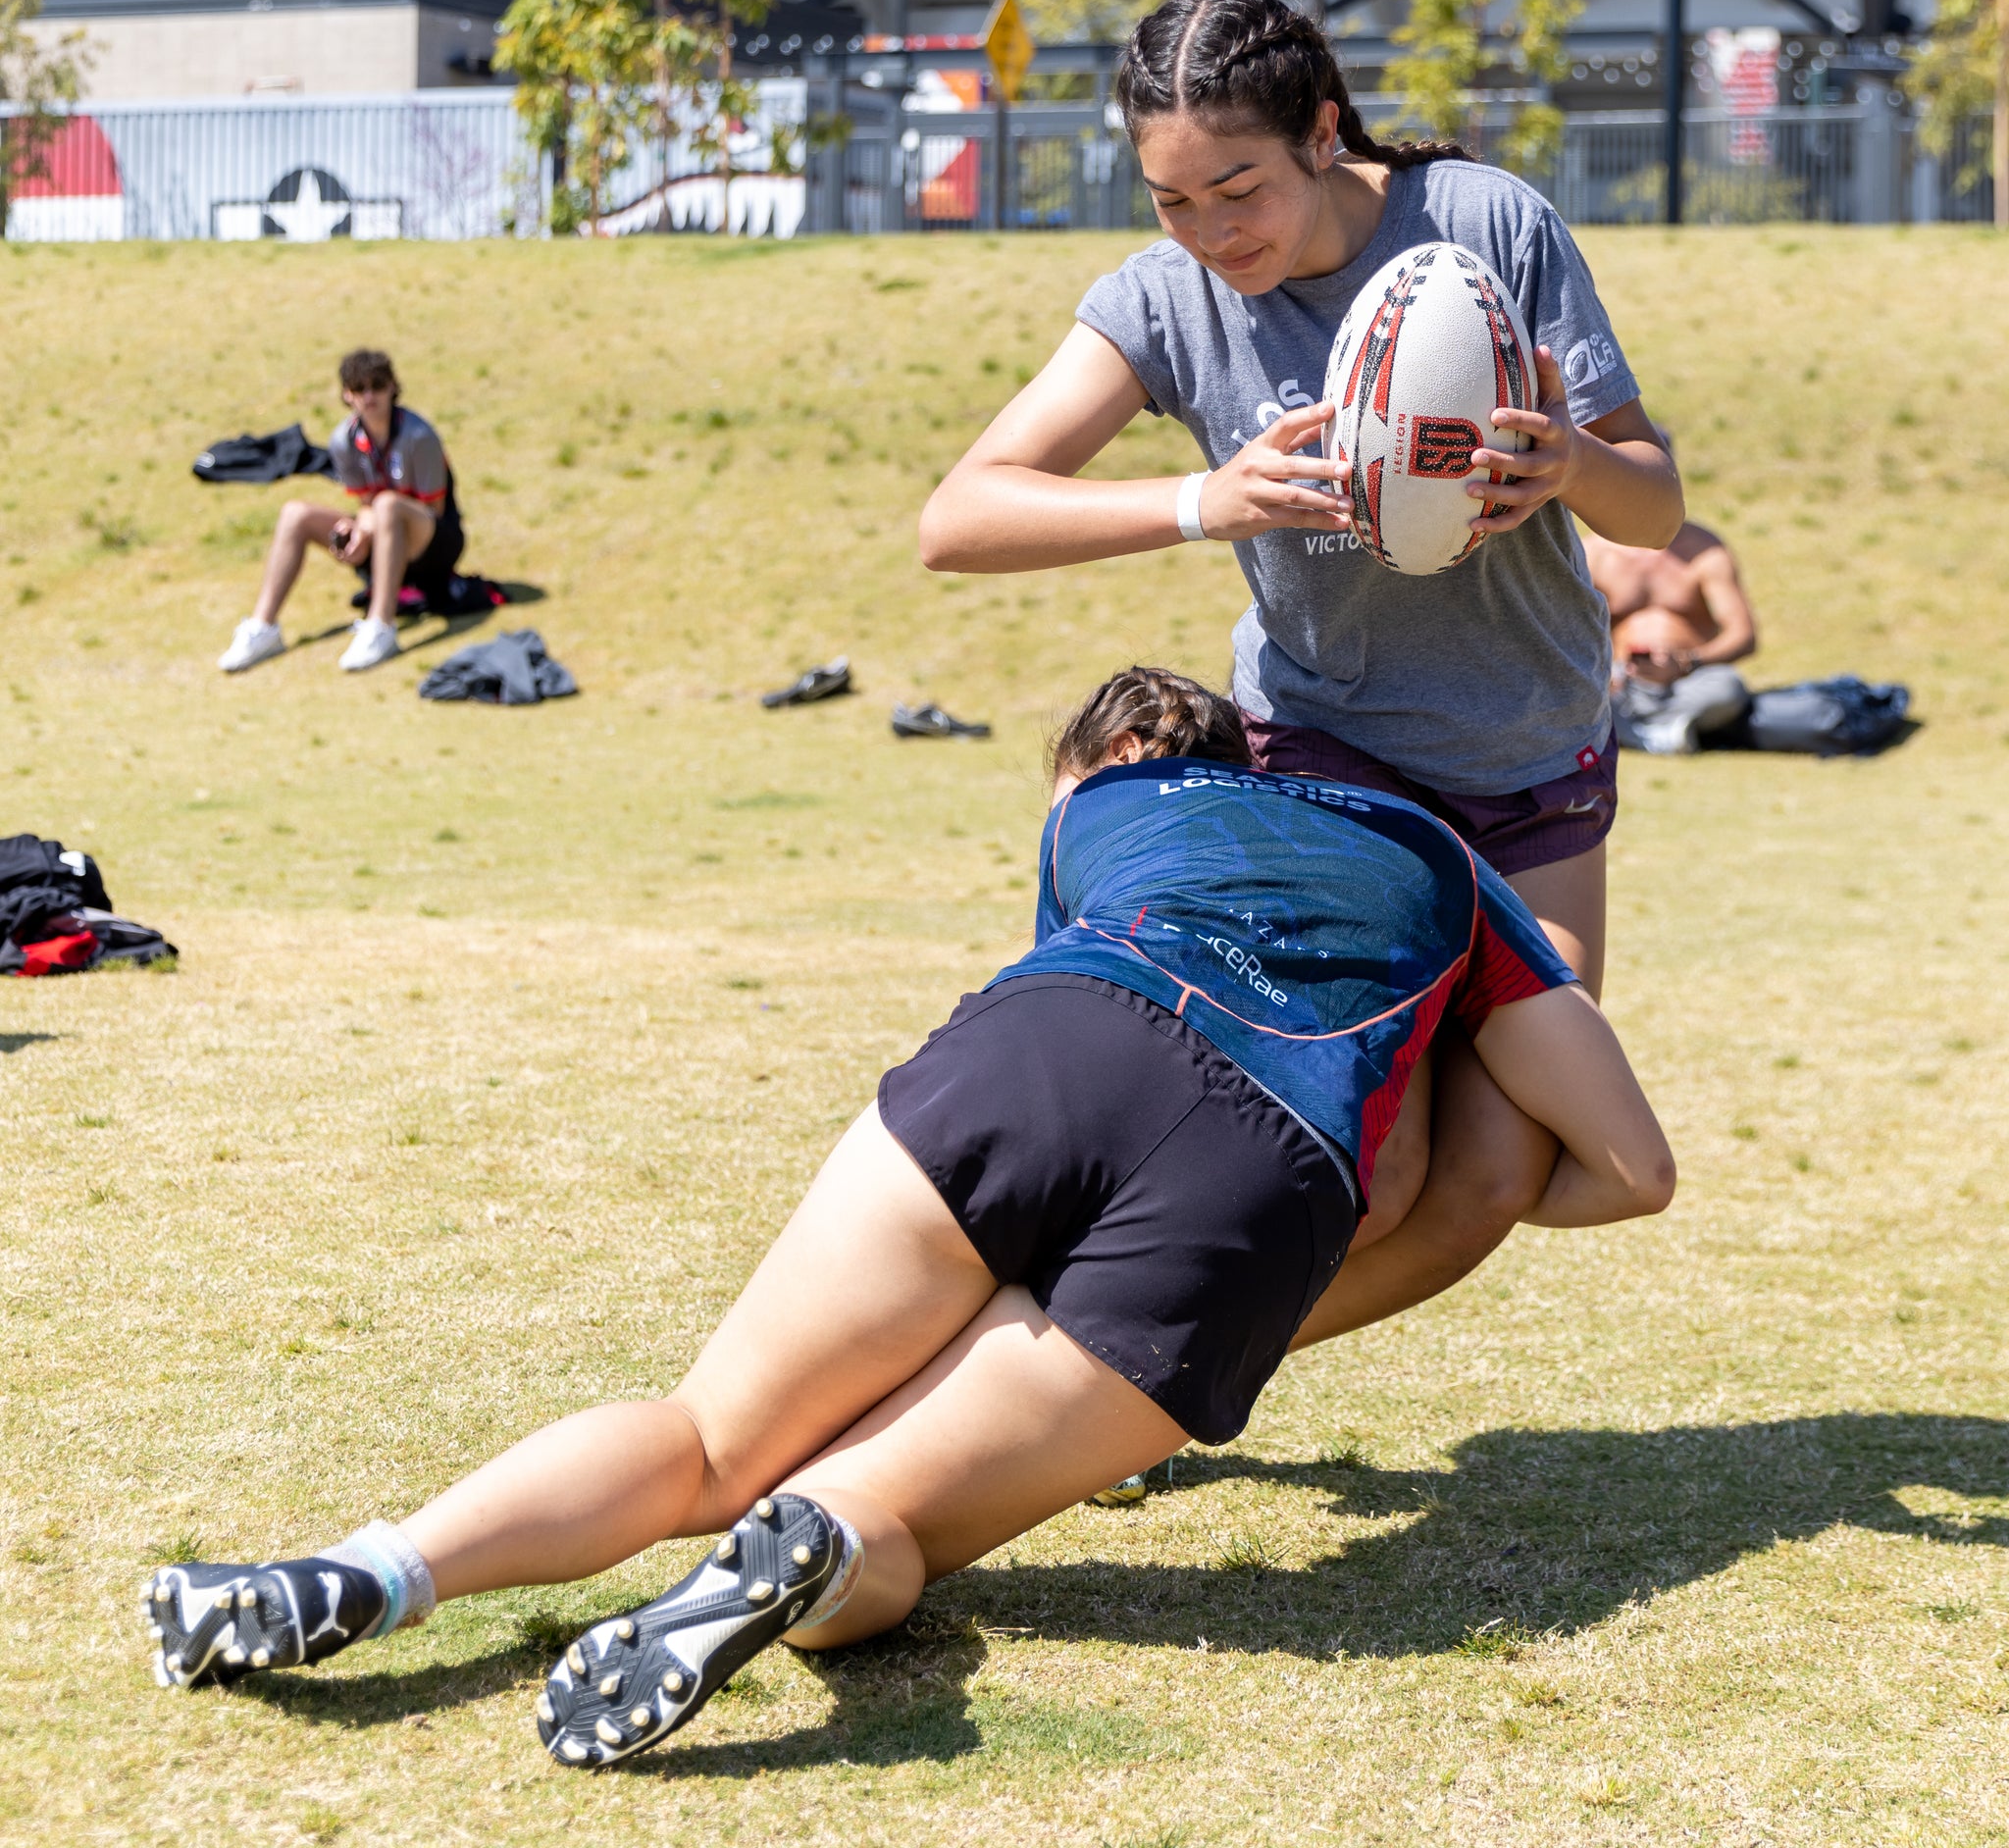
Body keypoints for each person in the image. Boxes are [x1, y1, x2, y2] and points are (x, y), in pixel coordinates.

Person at [141, 667, 1674, 1769]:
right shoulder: (1434, 858)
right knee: (874, 1516)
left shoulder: (1106, 817)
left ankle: (368, 1573)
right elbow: (1626, 1173)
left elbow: (1090, 1064)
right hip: (1262, 1170)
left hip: (1056, 1038)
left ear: (1123, 748)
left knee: (709, 1432)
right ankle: (813, 1544)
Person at [919, 0, 1685, 1345]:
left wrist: (1568, 466)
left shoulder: (1490, 226)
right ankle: (1087, 1374)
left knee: (1494, 1175)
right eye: (1173, 202)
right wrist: (1203, 500)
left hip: (1534, 769)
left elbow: (1657, 504)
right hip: (1329, 763)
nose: (1213, 235)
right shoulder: (1162, 303)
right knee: (1372, 1175)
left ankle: (1130, 1362)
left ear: (1324, 131)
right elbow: (960, 517)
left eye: (1240, 189)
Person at [217, 349, 465, 675]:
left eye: (377, 385)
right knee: (295, 513)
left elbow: (434, 509)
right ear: (347, 395)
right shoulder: (343, 441)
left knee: (388, 504)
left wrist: (374, 522)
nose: (369, 395)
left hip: (433, 543)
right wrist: (360, 532)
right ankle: (263, 628)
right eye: (359, 388)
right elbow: (365, 504)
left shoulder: (419, 436)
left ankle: (381, 627)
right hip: (383, 534)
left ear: (393, 387)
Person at [1581, 520, 1759, 754]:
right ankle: (1667, 732)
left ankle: (1634, 732)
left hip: (1686, 683)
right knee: (1575, 690)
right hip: (1621, 684)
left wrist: (1689, 662)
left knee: (1728, 687)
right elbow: (1564, 630)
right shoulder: (1594, 552)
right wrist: (1602, 670)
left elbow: (1743, 635)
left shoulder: (1705, 551)